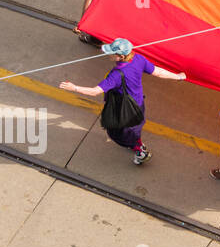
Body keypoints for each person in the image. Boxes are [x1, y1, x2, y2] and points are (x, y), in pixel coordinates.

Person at [59, 38, 187, 165]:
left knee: (116, 133)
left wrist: (74, 88)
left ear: (120, 56)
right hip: (138, 104)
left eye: (111, 53)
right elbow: (158, 72)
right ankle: (137, 143)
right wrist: (178, 77)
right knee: (133, 129)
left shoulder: (116, 75)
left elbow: (95, 91)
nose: (108, 54)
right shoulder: (139, 59)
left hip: (123, 109)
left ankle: (140, 151)